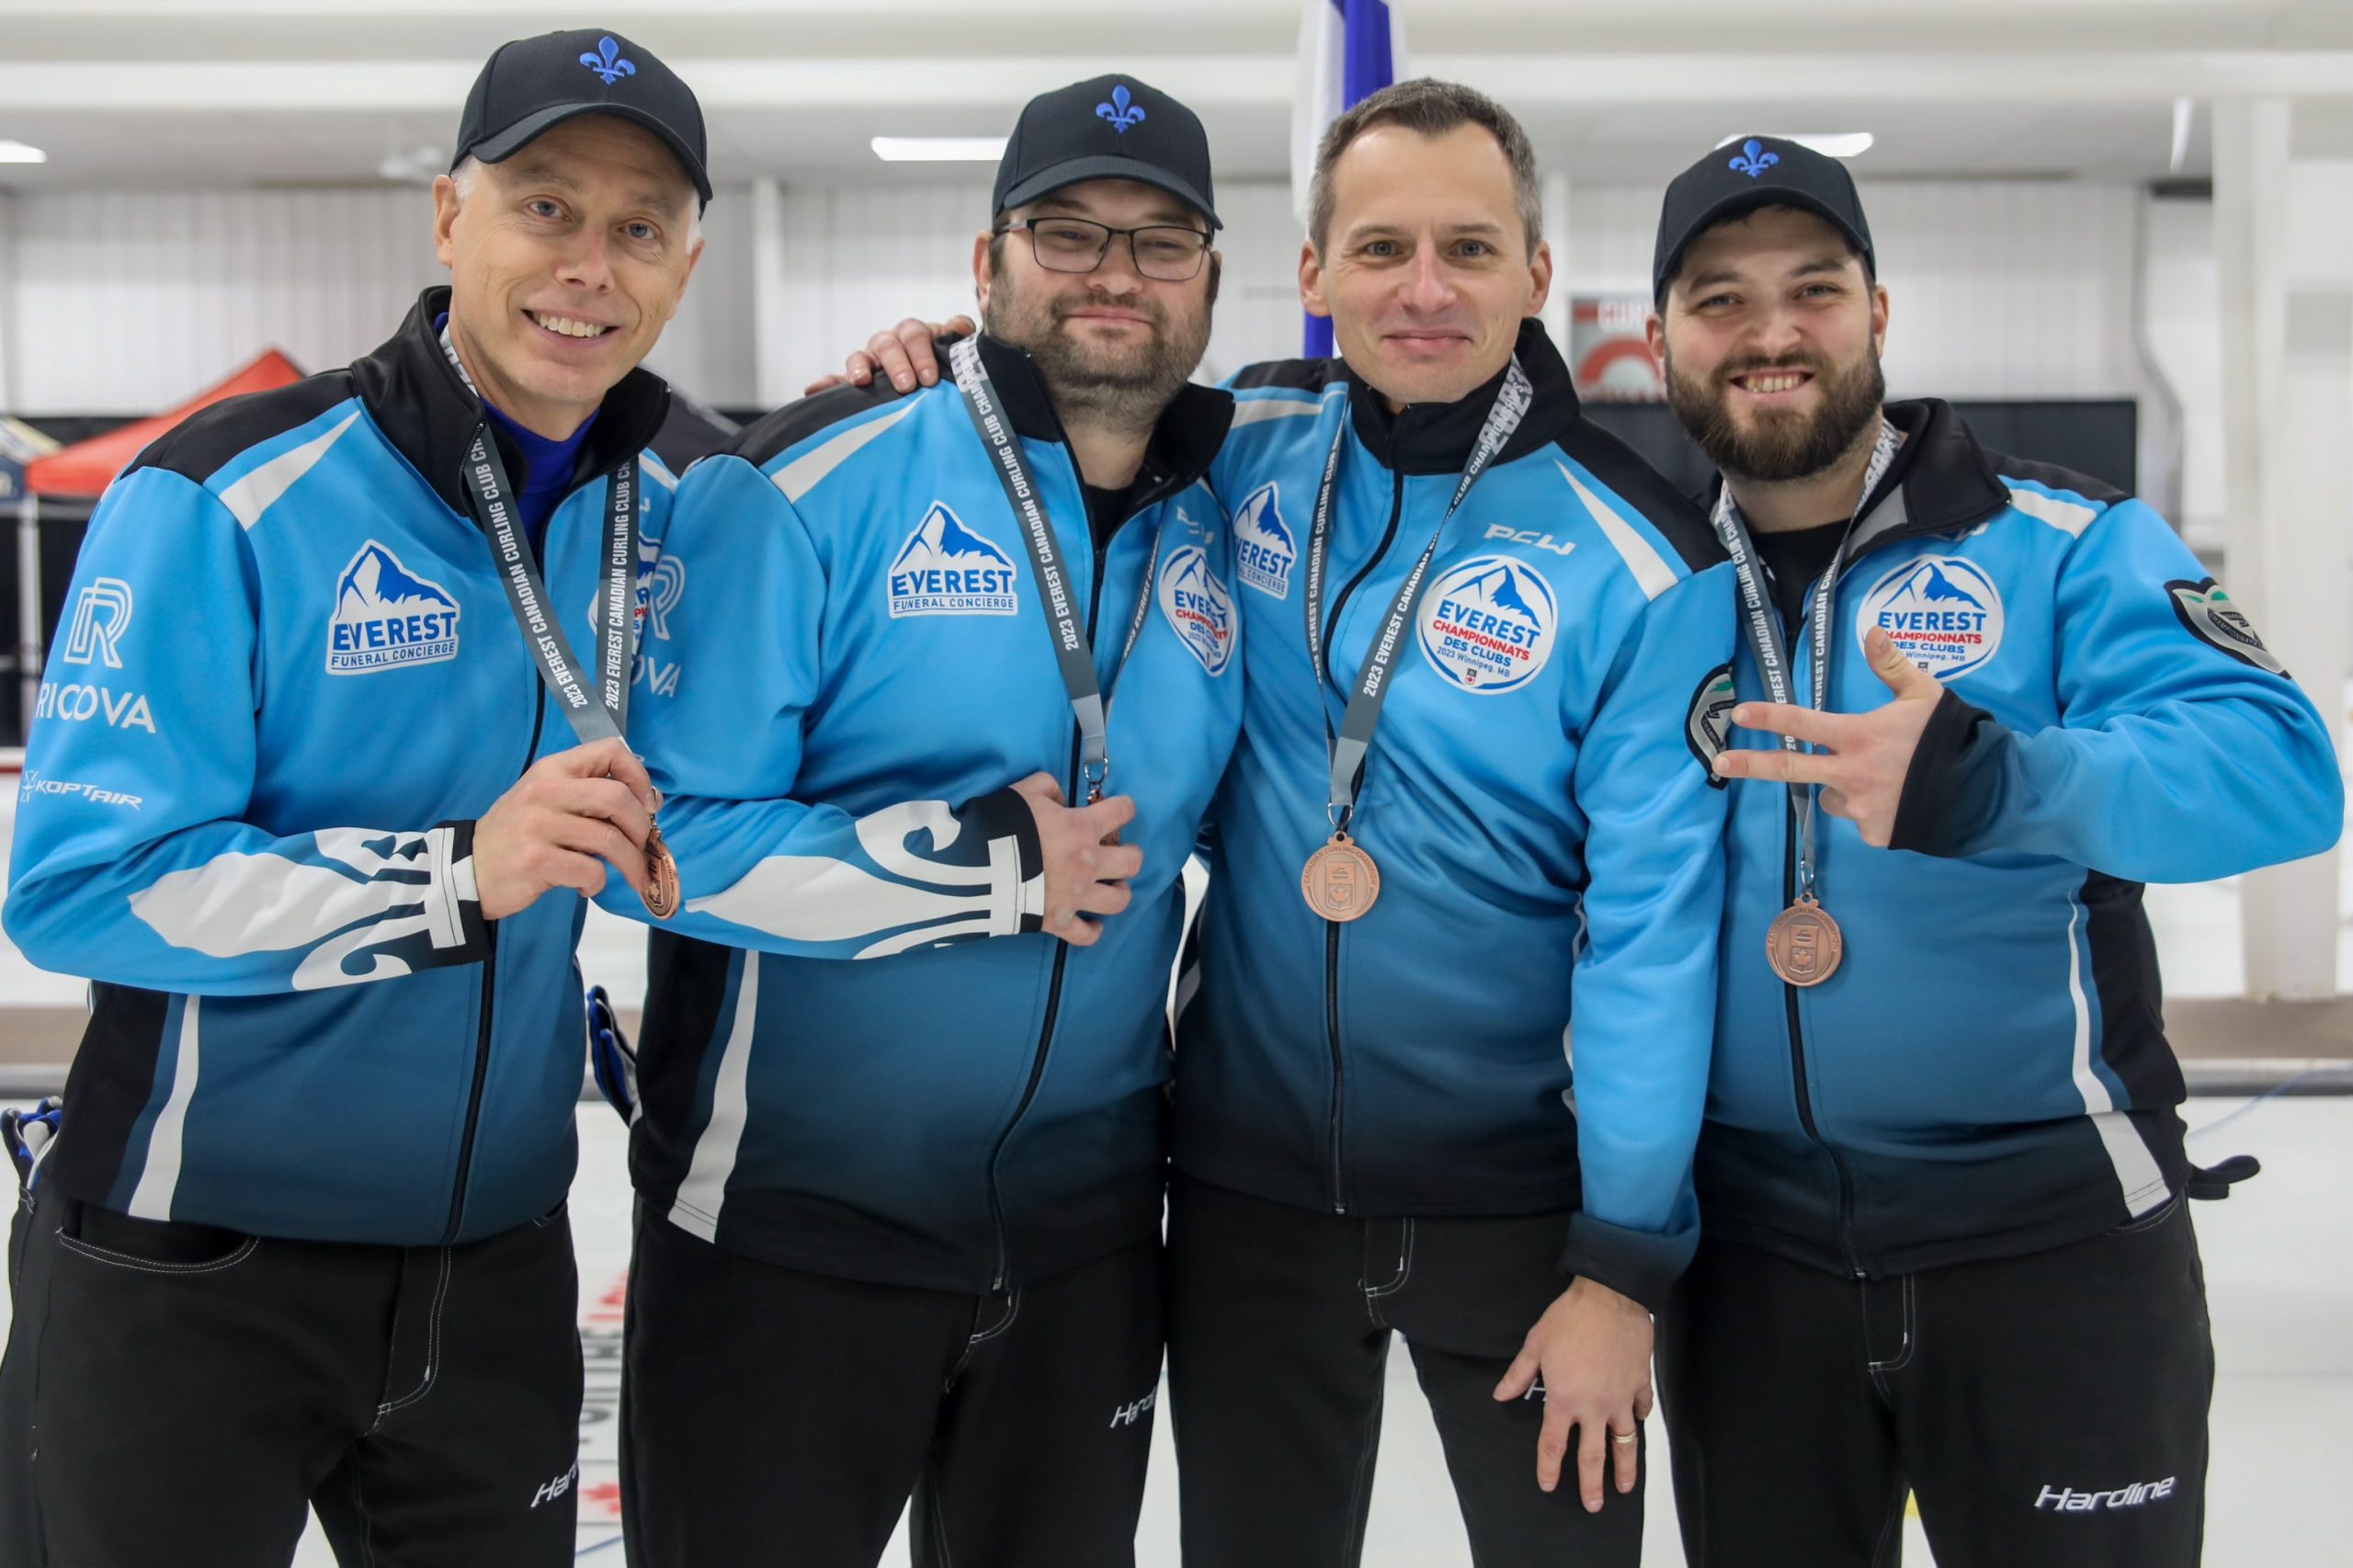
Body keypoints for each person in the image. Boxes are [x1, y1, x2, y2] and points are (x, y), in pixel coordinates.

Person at [838, 78, 1733, 1568]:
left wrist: (1626, 1266)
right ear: (1313, 276)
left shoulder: (1644, 555)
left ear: (1536, 271)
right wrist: (926, 361)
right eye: (1380, 249)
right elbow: (1051, 412)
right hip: (1248, 1200)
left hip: (1522, 1209)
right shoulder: (1236, 447)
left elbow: (1653, 935)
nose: (1426, 289)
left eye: (1469, 246)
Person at [0, 28, 708, 1566]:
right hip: (192, 1263)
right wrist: (452, 873)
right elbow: (77, 884)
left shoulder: (687, 495)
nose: (590, 263)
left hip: (495, 1256)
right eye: (545, 208)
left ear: (687, 262)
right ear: (449, 218)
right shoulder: (221, 491)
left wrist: (925, 357)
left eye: (639, 225)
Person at [1642, 136, 2346, 1568]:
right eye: (1719, 298)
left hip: (2053, 1243)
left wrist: (2005, 775)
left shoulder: (2067, 542)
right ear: (1660, 338)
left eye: (1814, 290)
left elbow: (2284, 776)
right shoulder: (1643, 579)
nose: (1770, 332)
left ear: (1879, 316)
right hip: (1751, 1262)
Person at [600, 75, 1238, 1568]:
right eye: (1067, 232)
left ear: (1212, 275)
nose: (1113, 275)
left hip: (1087, 1252)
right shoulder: (800, 482)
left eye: (1160, 242)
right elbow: (657, 846)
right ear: (986, 262)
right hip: (788, 1238)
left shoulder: (1225, 515)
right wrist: (965, 867)